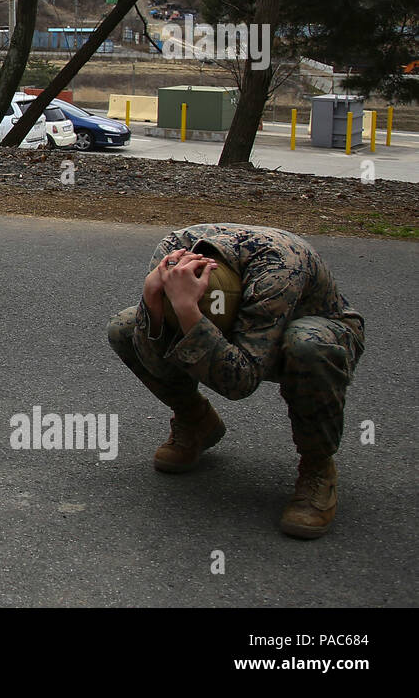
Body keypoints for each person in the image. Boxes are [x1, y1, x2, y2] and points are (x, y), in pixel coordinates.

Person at [107, 223, 366, 539]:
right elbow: (155, 362)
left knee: (308, 346)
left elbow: (241, 381)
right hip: (237, 320)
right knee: (126, 327)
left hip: (310, 329)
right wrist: (153, 299)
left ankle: (317, 466)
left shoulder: (278, 269)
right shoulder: (172, 253)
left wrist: (188, 310)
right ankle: (196, 422)